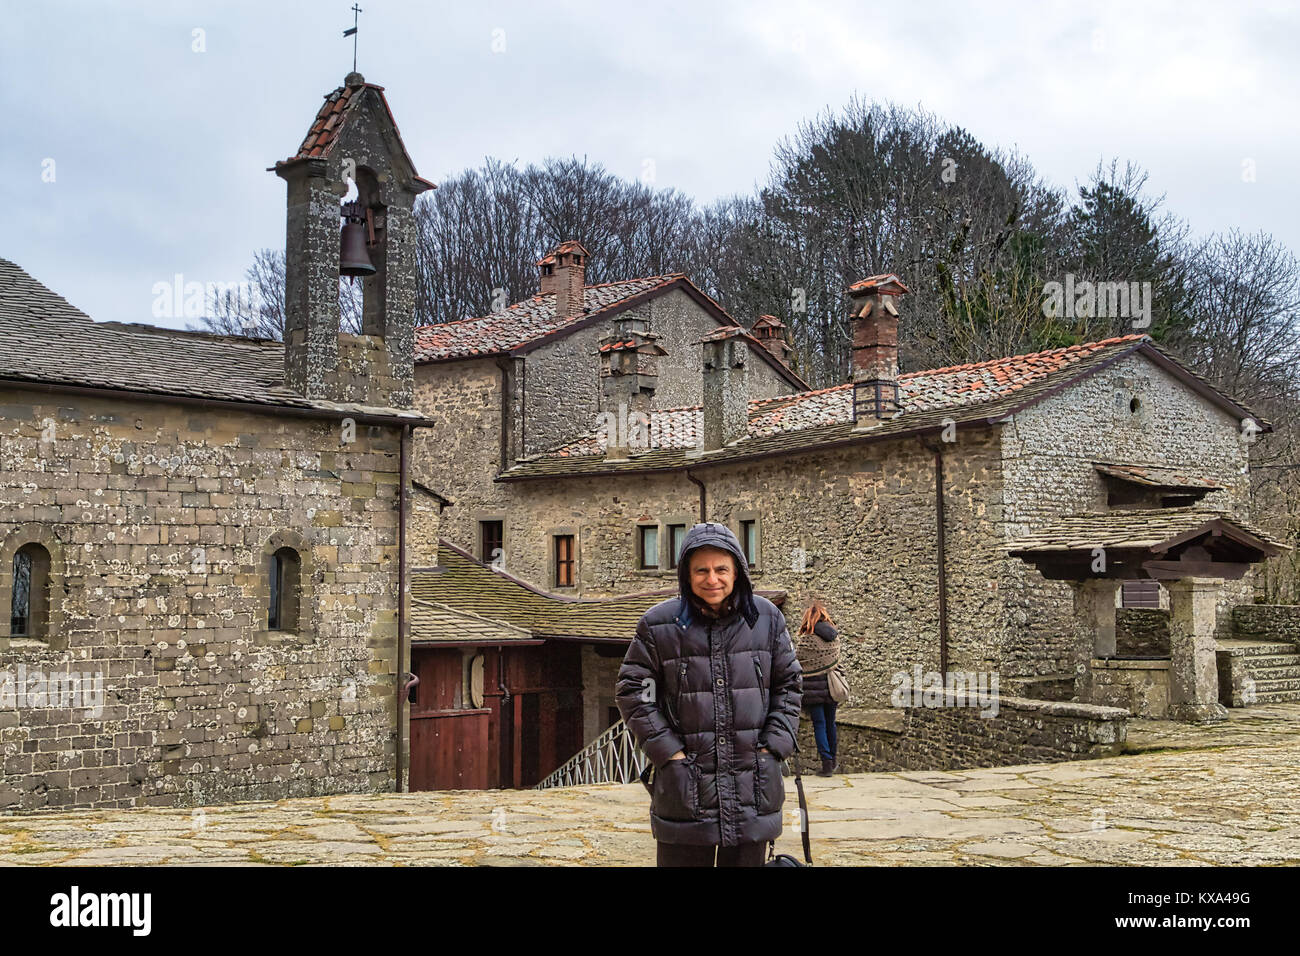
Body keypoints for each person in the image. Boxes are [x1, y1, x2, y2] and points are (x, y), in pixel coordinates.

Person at [616, 522, 802, 867]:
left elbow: (788, 685)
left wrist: (773, 745)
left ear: (737, 572)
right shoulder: (659, 625)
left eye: (721, 569)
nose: (712, 579)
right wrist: (668, 752)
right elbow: (633, 691)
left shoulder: (766, 619)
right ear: (687, 574)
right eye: (701, 570)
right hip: (685, 790)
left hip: (752, 784)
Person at [795, 598, 840, 776]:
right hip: (831, 686)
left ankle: (826, 764)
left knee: (819, 725)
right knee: (831, 724)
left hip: (812, 690)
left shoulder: (806, 640)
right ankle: (833, 760)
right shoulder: (834, 639)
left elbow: (796, 661)